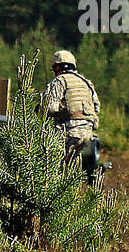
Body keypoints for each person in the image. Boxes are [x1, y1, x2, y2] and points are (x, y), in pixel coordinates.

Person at [42, 49, 102, 183]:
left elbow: (50, 108)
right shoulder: (86, 83)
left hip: (69, 132)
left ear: (57, 67)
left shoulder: (60, 81)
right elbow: (96, 107)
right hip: (88, 134)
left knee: (53, 169)